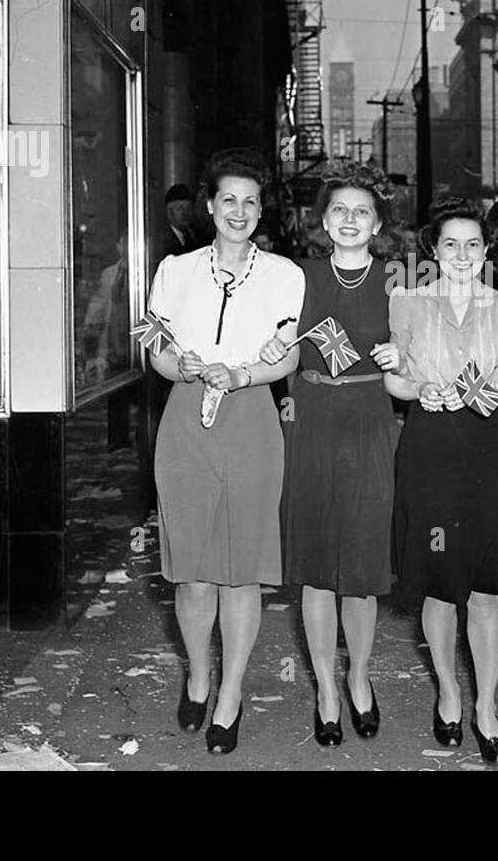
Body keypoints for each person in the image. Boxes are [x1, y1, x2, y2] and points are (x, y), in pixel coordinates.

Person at [146, 150, 304, 756]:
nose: (239, 211)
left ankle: (231, 693)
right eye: (228, 199)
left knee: (243, 570)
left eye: (251, 201)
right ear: (209, 206)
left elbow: (287, 356)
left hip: (251, 415)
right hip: (186, 415)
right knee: (191, 571)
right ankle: (198, 674)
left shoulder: (285, 275)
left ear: (261, 211)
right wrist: (175, 363)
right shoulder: (174, 271)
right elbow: (155, 349)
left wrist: (238, 375)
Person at [258, 160, 400, 746]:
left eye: (361, 212)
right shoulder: (298, 276)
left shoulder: (398, 280)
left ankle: (360, 678)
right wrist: (270, 348)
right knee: (317, 566)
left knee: (361, 566)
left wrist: (404, 357)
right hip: (313, 422)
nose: (349, 220)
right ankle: (324, 688)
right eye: (338, 210)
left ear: (377, 223)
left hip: (370, 421)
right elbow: (278, 345)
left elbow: (426, 353)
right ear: (323, 219)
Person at [387, 198, 498, 764]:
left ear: (488, 250)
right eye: (451, 244)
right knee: (440, 581)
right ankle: (449, 692)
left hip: (486, 451)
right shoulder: (408, 304)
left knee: (484, 586)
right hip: (428, 448)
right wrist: (419, 388)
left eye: (474, 244)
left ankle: (487, 705)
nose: (463, 254)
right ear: (433, 250)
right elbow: (394, 381)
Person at [164, 183, 202, 257]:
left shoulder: (197, 237)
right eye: (180, 208)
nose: (185, 213)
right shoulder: (161, 241)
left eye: (188, 208)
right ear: (169, 212)